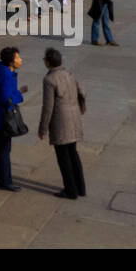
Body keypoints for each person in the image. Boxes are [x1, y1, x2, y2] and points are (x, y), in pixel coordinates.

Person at [38, 47, 86, 199]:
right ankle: (80, 187)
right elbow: (82, 92)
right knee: (73, 153)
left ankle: (70, 190)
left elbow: (48, 107)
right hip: (74, 118)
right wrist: (80, 109)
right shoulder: (69, 74)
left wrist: (43, 128)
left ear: (48, 62)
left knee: (63, 157)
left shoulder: (49, 80)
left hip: (61, 121)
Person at [0, 46, 27, 191]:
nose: (20, 60)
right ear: (11, 62)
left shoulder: (4, 72)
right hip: (3, 117)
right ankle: (5, 180)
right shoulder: (6, 75)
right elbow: (6, 98)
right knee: (4, 148)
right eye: (17, 58)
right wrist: (19, 94)